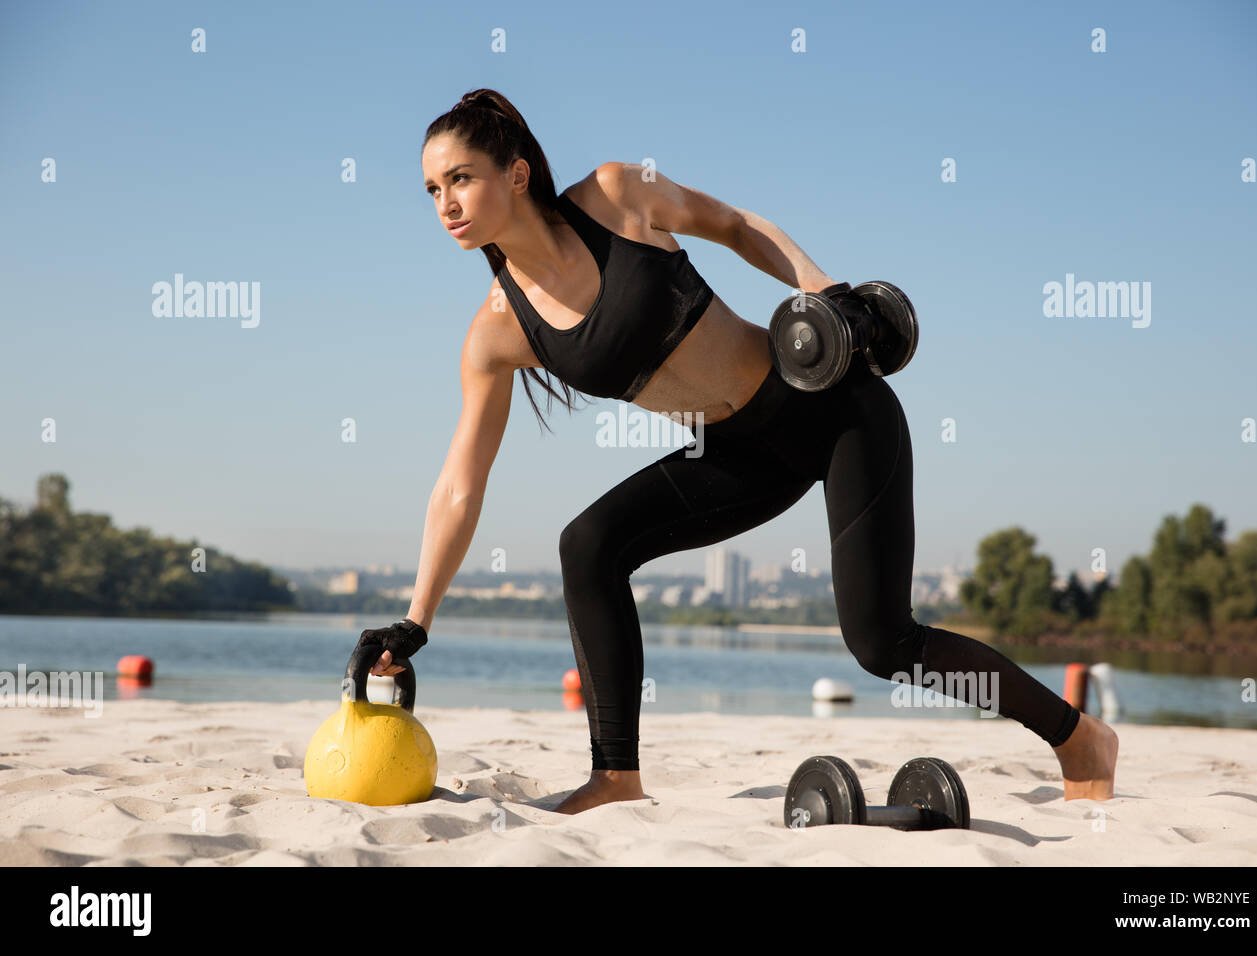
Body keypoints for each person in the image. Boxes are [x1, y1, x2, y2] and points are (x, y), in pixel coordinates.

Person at [355, 88, 1119, 815]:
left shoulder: (617, 196)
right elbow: (460, 483)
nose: (445, 204)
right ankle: (615, 774)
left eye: (460, 178)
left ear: (515, 174)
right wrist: (416, 621)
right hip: (736, 455)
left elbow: (736, 225)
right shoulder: (496, 333)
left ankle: (1079, 737)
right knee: (588, 545)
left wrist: (821, 287)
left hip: (831, 407)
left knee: (884, 644)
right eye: (430, 189)